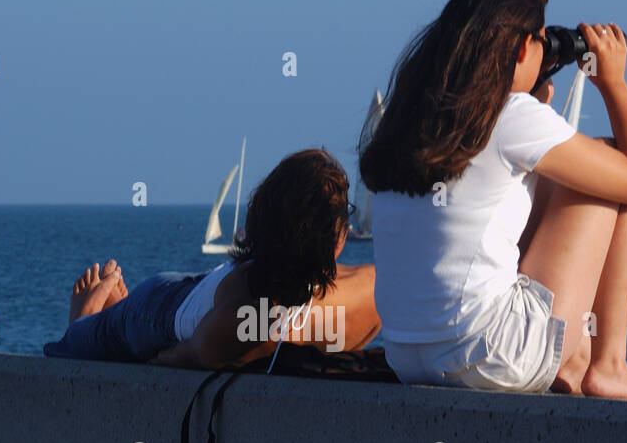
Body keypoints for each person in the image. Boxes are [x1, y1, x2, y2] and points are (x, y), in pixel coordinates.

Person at [360, 0, 627, 401]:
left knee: (548, 182)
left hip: (408, 359)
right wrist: (613, 83)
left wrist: (536, 106)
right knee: (613, 169)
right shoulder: (512, 115)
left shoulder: (407, 121)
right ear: (523, 47)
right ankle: (609, 365)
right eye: (541, 41)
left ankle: (573, 362)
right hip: (491, 356)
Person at [43, 148, 380, 369]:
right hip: (158, 311)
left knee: (121, 330)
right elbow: (172, 359)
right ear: (340, 237)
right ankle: (83, 320)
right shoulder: (372, 290)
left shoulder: (253, 319)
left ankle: (111, 313)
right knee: (71, 348)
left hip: (198, 292)